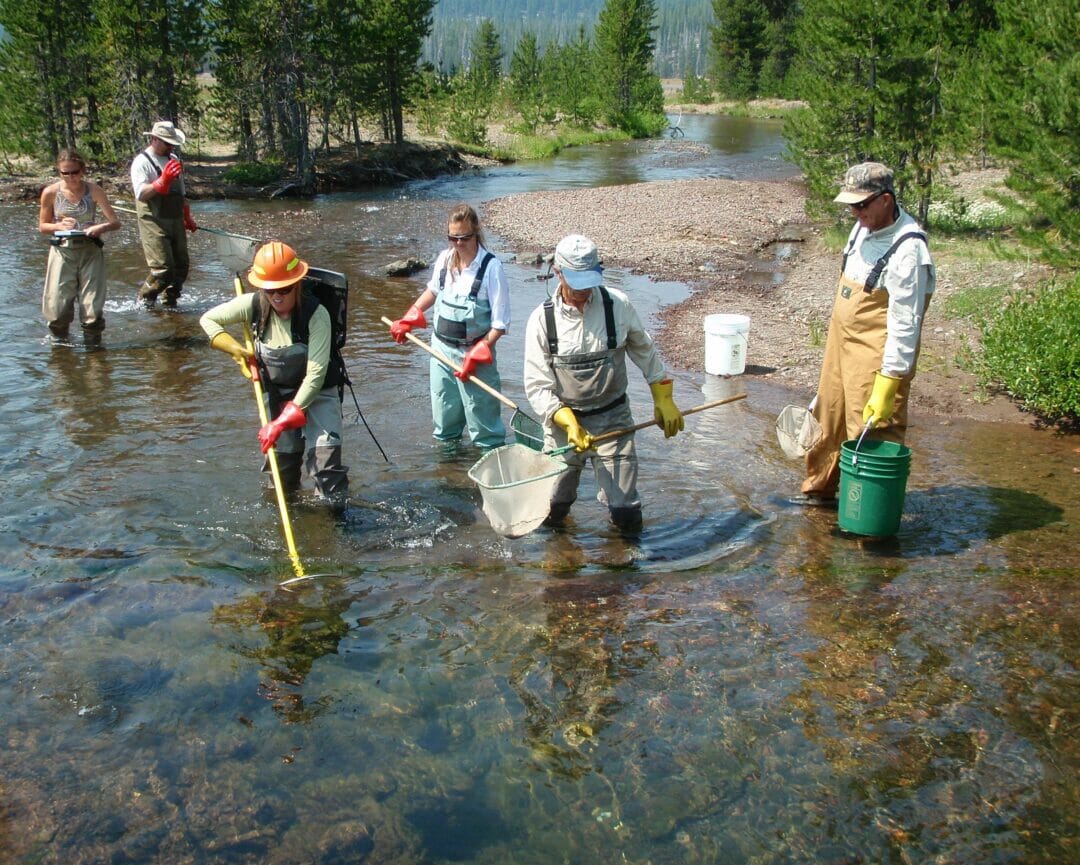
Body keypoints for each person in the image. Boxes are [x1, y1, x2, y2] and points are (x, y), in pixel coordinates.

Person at [523, 234, 684, 533]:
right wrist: (569, 423)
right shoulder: (541, 321)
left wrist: (664, 399)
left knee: (626, 514)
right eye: (575, 280)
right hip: (563, 426)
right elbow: (537, 387)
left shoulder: (617, 305)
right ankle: (560, 565)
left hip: (613, 421)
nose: (584, 289)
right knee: (552, 509)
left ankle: (625, 569)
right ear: (557, 272)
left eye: (589, 279)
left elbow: (646, 353)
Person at [797, 161, 936, 506]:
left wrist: (888, 383)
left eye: (861, 205)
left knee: (872, 433)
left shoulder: (908, 250)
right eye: (850, 206)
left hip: (876, 355)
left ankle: (869, 520)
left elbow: (906, 326)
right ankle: (820, 496)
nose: (854, 212)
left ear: (885, 200)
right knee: (827, 421)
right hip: (840, 345)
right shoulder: (862, 228)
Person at [200, 241, 349, 508]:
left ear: (298, 284)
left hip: (319, 395)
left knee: (327, 472)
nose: (276, 296)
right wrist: (236, 350)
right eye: (269, 290)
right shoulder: (254, 305)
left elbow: (316, 373)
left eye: (284, 289)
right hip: (279, 397)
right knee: (280, 475)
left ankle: (333, 528)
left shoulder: (317, 315)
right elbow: (208, 321)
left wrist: (281, 423)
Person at [388, 203, 509, 450]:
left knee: (484, 427)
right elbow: (433, 291)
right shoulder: (444, 259)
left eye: (464, 237)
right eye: (453, 238)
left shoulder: (492, 268)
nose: (458, 244)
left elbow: (500, 324)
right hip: (440, 351)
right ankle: (448, 475)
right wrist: (409, 317)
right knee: (444, 423)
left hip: (474, 357)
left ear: (476, 232)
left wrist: (479, 352)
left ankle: (491, 471)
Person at [38, 149, 121, 340]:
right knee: (57, 309)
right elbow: (42, 226)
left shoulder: (94, 191)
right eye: (64, 173)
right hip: (62, 251)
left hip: (90, 250)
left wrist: (100, 227)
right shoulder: (50, 193)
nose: (70, 177)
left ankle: (95, 355)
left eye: (74, 172)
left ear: (82, 170)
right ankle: (61, 353)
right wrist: (58, 225)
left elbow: (115, 223)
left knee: (92, 309)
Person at [130, 120, 198, 307]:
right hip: (153, 220)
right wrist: (162, 181)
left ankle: (170, 304)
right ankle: (145, 302)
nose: (171, 146)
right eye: (167, 143)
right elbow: (141, 194)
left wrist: (187, 216)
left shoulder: (173, 159)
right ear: (154, 139)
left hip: (175, 218)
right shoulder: (141, 162)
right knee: (163, 270)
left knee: (181, 268)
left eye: (172, 143)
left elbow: (181, 193)